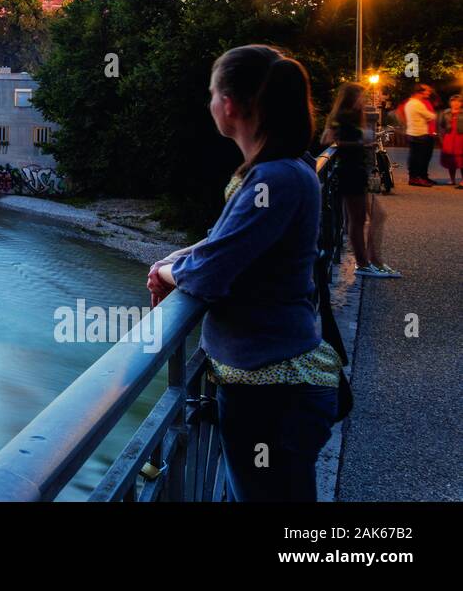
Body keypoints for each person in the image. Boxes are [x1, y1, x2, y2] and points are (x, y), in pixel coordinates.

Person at [147, 45, 343, 501]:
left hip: (273, 392)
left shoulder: (274, 179)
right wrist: (172, 262)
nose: (209, 103)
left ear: (231, 106)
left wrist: (169, 273)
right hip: (268, 385)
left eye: (212, 93)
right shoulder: (284, 170)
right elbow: (223, 243)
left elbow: (213, 272)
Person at [322, 84, 397, 278]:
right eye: (360, 97)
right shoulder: (343, 116)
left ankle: (372, 260)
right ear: (351, 98)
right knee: (359, 219)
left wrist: (361, 141)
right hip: (349, 171)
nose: (362, 101)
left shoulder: (350, 116)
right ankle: (366, 263)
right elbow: (327, 139)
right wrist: (359, 142)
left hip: (356, 170)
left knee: (370, 217)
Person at [402, 84, 437, 186]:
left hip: (414, 132)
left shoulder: (410, 103)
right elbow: (430, 116)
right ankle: (416, 178)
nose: (428, 93)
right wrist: (432, 115)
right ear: (419, 93)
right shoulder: (417, 104)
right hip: (420, 133)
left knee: (417, 156)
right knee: (419, 157)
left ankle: (420, 177)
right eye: (425, 91)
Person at [440, 94, 463, 189]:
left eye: (458, 101)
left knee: (461, 159)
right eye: (453, 101)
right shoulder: (446, 113)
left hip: (460, 137)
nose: (455, 103)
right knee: (450, 159)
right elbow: (442, 125)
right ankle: (452, 179)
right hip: (449, 137)